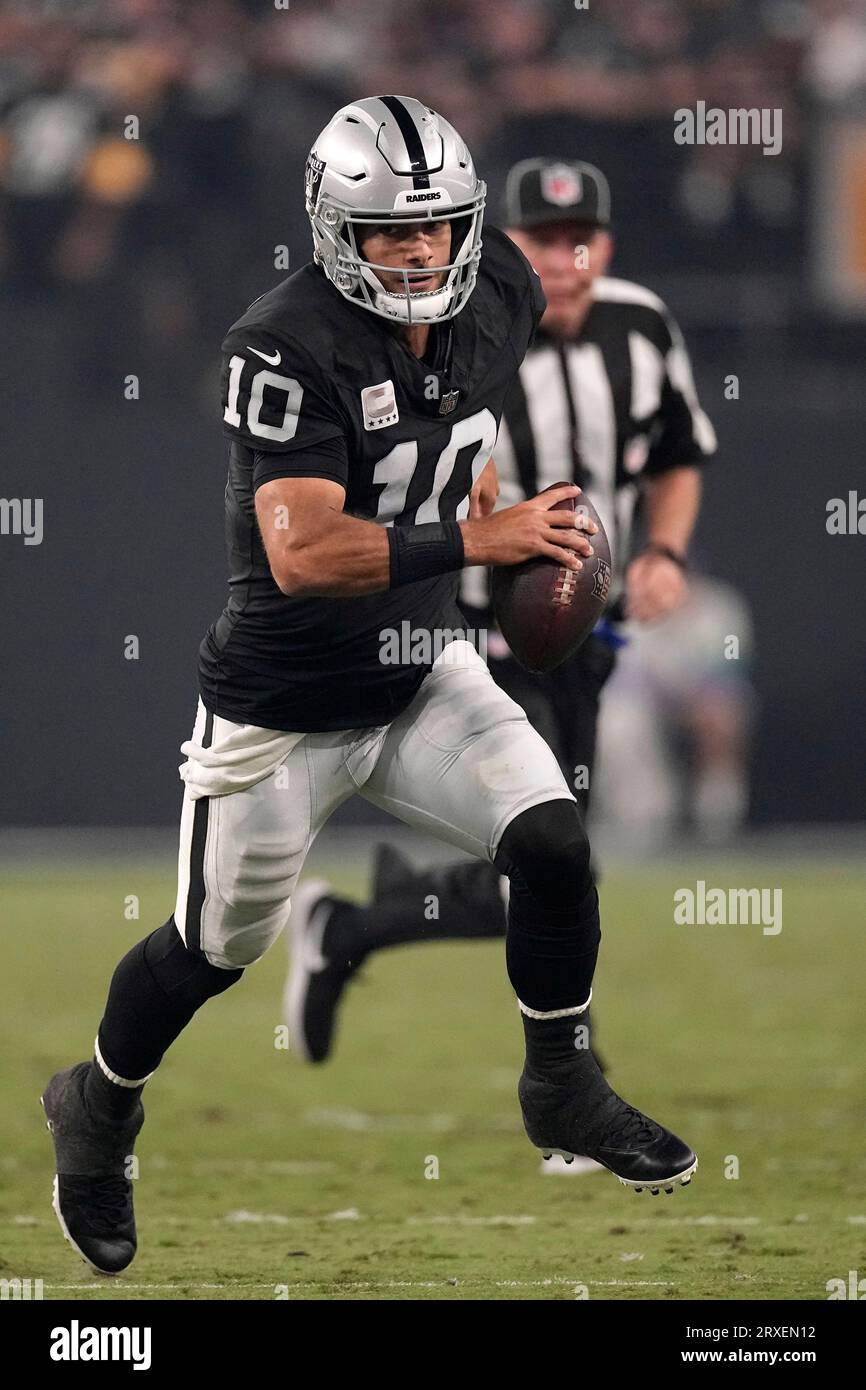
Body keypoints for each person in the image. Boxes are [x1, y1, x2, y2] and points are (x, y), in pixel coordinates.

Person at [42, 104, 696, 1278]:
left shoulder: (498, 291)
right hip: (280, 704)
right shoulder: (282, 343)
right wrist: (483, 537)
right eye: (393, 235)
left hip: (420, 671)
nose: (422, 255)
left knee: (550, 842)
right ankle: (95, 1107)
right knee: (209, 949)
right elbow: (303, 553)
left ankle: (563, 1084)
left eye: (440, 230)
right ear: (335, 230)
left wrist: (515, 527)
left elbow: (465, 429)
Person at [284, 158, 716, 1070]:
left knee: (549, 858)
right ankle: (571, 1074)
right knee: (557, 860)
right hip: (475, 623)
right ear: (505, 246)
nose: (564, 261)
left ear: (606, 245)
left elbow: (678, 451)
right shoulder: (459, 328)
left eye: (581, 239)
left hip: (582, 630)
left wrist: (664, 554)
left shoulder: (641, 325)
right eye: (541, 241)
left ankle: (353, 923)